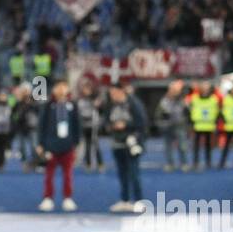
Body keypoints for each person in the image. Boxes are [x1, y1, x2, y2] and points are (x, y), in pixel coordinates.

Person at [36, 79, 80, 211]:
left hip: (67, 144)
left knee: (68, 174)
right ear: (54, 89)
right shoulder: (48, 106)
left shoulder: (72, 105)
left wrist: (76, 143)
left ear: (68, 90)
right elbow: (41, 126)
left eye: (64, 87)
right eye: (58, 87)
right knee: (49, 174)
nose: (61, 90)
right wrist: (40, 144)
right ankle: (48, 198)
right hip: (51, 146)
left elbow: (77, 125)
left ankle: (67, 198)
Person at [105, 82, 147, 212]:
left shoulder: (133, 104)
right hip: (117, 144)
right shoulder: (110, 105)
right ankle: (125, 200)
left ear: (121, 91)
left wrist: (126, 125)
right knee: (122, 174)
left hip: (131, 144)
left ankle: (139, 201)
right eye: (111, 93)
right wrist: (111, 126)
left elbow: (142, 123)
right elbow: (106, 121)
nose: (112, 96)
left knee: (134, 173)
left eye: (114, 93)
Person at [156, 80, 190, 172]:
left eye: (176, 89)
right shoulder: (164, 100)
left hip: (179, 125)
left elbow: (188, 112)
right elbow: (159, 114)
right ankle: (170, 164)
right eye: (173, 89)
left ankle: (184, 163)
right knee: (168, 147)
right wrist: (161, 122)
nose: (174, 91)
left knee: (182, 146)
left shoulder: (183, 100)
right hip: (167, 126)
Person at [188, 80, 219, 171]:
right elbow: (190, 110)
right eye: (204, 87)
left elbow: (217, 112)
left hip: (209, 125)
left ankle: (208, 162)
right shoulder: (194, 98)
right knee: (196, 146)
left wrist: (215, 123)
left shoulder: (214, 99)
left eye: (207, 87)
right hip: (197, 125)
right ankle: (195, 162)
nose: (205, 89)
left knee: (208, 146)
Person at [75, 77, 104, 173]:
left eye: (87, 89)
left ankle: (100, 164)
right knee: (87, 145)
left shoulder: (95, 98)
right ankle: (88, 163)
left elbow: (101, 111)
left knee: (95, 144)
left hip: (93, 125)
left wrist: (98, 105)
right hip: (84, 125)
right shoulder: (80, 100)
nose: (85, 91)